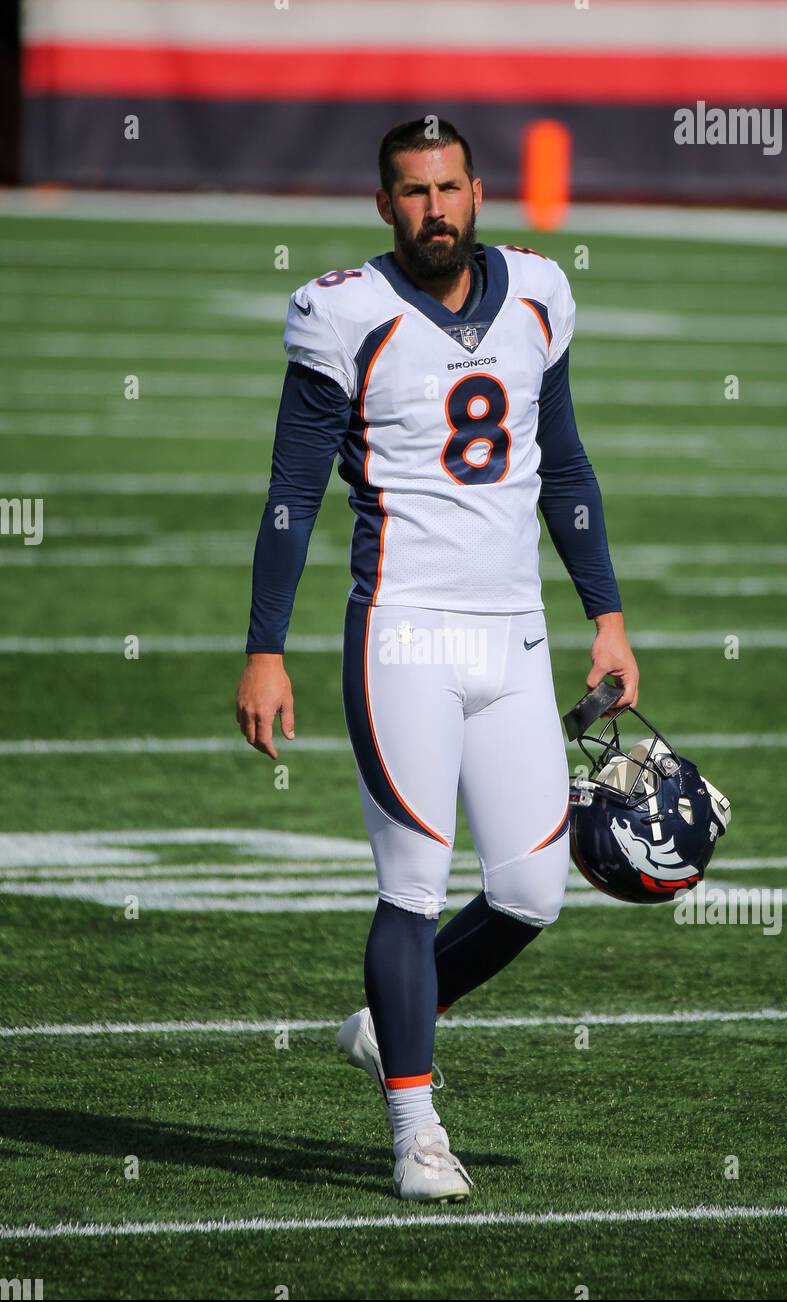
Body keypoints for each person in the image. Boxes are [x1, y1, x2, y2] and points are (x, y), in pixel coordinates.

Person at [236, 117, 639, 1202]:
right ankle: (415, 1125)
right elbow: (291, 488)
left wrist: (605, 617)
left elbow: (563, 461)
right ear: (384, 205)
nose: (434, 210)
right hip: (401, 631)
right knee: (410, 884)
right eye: (412, 193)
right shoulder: (343, 312)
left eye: (449, 187)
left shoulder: (541, 294)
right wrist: (262, 647)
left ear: (477, 190)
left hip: (513, 632)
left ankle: (387, 1026)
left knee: (528, 892)